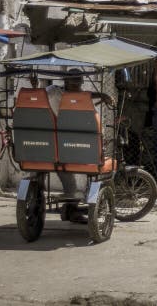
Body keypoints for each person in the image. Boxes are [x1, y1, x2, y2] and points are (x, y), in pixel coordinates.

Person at [46, 68, 114, 223]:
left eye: (79, 85)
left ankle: (72, 208)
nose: (78, 88)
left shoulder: (74, 97)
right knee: (80, 175)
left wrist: (100, 95)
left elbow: (83, 95)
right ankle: (73, 209)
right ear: (66, 83)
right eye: (75, 84)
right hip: (72, 148)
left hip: (70, 146)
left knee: (71, 178)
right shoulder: (56, 93)